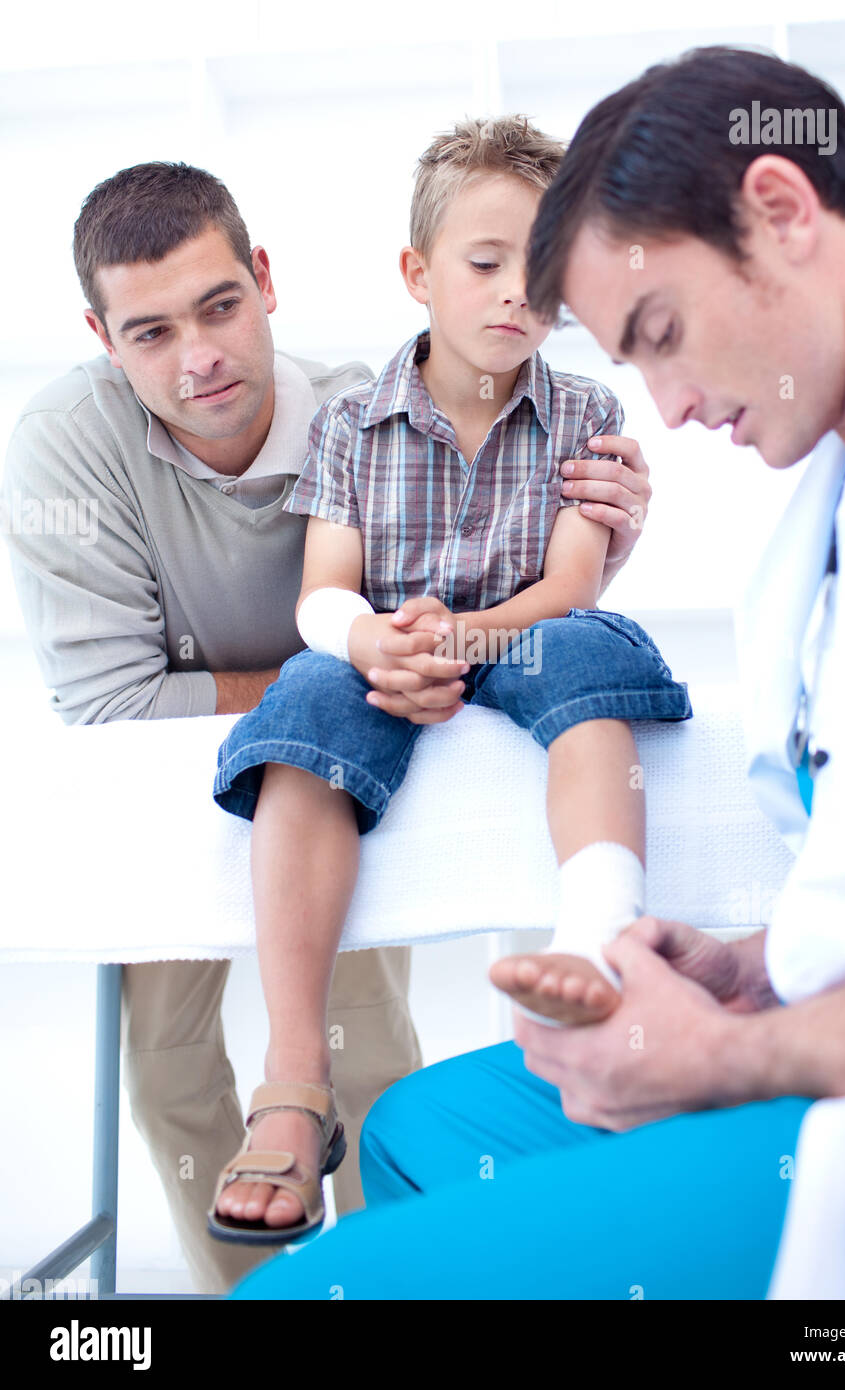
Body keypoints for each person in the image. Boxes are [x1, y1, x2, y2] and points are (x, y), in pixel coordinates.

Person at [228, 46, 845, 1300]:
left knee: (293, 1297)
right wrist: (752, 962)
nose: (668, 410)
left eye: (664, 333)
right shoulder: (843, 471)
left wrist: (741, 1056)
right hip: (839, 1019)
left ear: (783, 213)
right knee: (420, 1134)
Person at [1, 159, 652, 1292]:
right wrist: (345, 666)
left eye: (219, 307)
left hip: (347, 768)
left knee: (366, 1028)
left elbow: (490, 584)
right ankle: (251, 1286)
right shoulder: (63, 451)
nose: (199, 357)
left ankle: (388, 1276)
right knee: (163, 1060)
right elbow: (110, 709)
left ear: (263, 280)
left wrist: (593, 540)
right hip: (189, 772)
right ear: (104, 341)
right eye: (150, 333)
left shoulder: (365, 410)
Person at [207, 115, 690, 1243]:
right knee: (310, 702)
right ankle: (292, 1080)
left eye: (546, 269)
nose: (516, 293)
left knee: (583, 658)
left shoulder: (582, 412)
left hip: (522, 634)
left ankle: (597, 938)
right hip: (392, 646)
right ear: (418, 274)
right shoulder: (349, 425)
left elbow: (570, 585)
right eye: (484, 264)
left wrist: (464, 639)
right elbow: (325, 593)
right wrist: (371, 641)